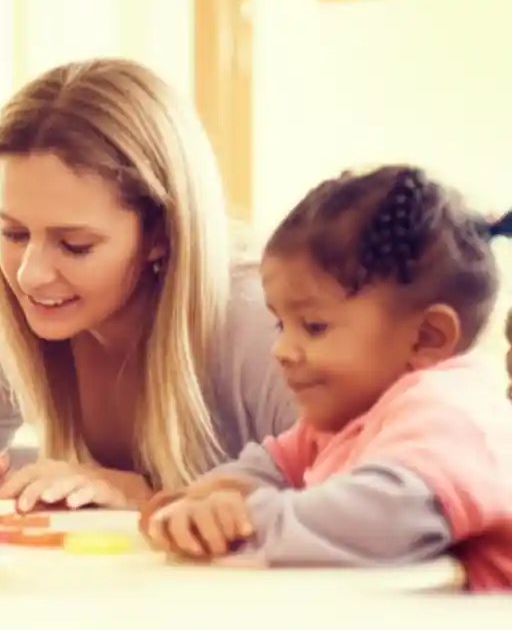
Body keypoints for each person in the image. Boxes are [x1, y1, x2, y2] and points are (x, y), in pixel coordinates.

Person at [0, 59, 296, 512]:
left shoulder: (261, 322)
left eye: (74, 244)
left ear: (160, 234)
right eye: (13, 233)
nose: (30, 274)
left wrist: (149, 499)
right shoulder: (12, 322)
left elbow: (368, 517)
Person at [144, 168, 512, 592]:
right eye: (282, 325)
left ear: (428, 337)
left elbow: (381, 522)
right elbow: (266, 468)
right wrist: (209, 501)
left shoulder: (450, 414)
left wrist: (243, 521)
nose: (280, 350)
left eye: (314, 326)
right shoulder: (348, 415)